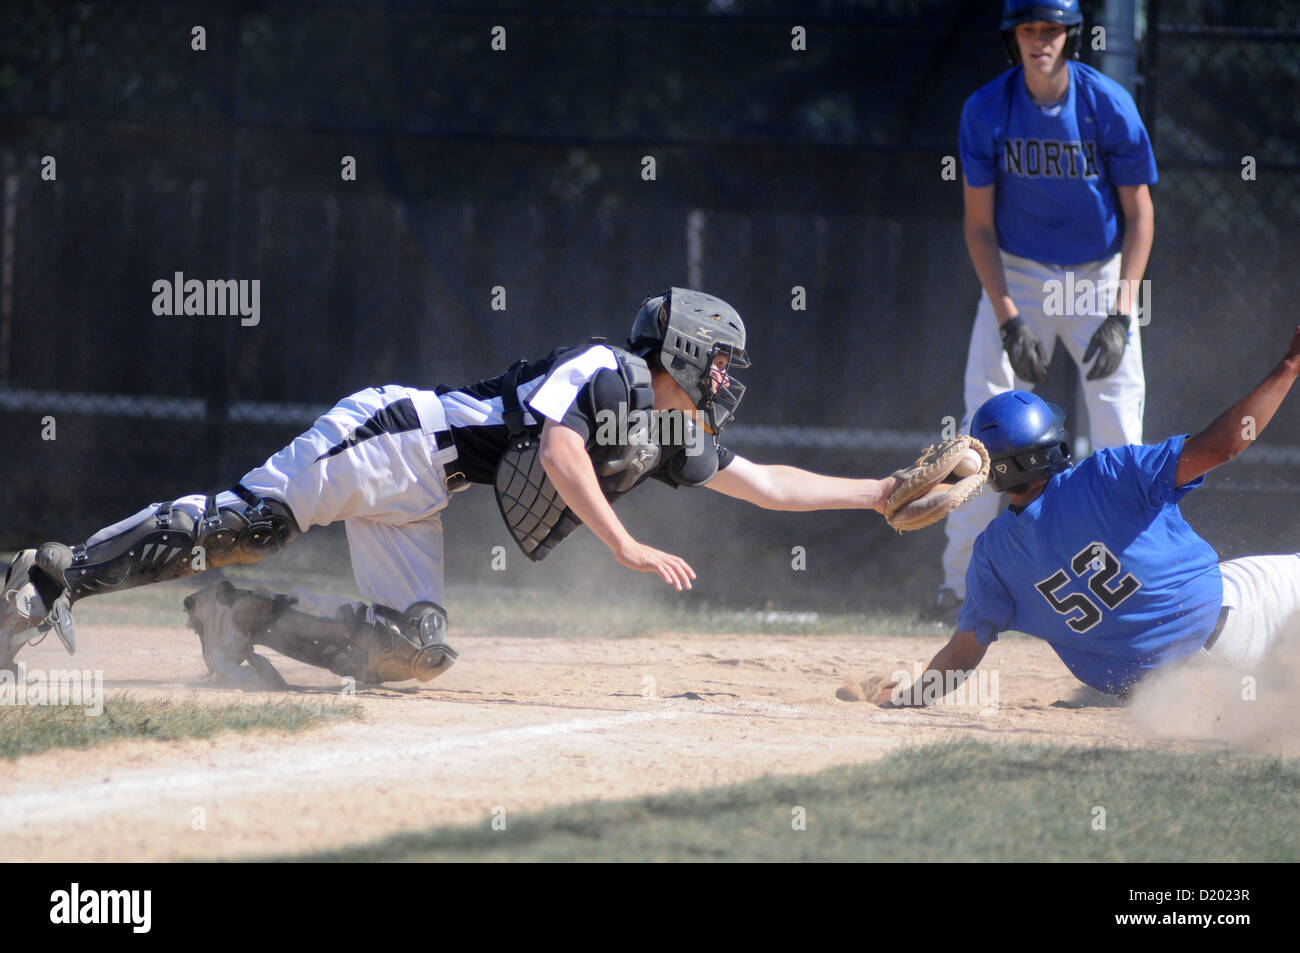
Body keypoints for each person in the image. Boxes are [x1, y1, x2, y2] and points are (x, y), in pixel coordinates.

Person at [2, 288, 906, 688]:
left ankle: (232, 616)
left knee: (416, 649)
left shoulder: (664, 424)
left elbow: (765, 482)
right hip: (393, 435)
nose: (719, 381)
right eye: (715, 361)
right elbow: (559, 449)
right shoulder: (605, 369)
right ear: (680, 351)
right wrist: (624, 546)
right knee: (254, 519)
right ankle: (45, 579)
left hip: (420, 495)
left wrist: (879, 492)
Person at [874, 326, 1300, 707]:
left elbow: (962, 654)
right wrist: (1290, 364)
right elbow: (1223, 446)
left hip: (1155, 697)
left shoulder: (992, 555)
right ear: (1053, 445)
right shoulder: (1107, 474)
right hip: (1233, 632)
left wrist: (913, 694)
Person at [934, 0, 1158, 625]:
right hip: (1020, 272)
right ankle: (960, 587)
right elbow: (979, 225)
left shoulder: (1107, 103)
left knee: (1118, 425)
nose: (1041, 41)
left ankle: (1126, 585)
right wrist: (1008, 315)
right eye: (1029, 29)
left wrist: (1121, 311)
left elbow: (1139, 214)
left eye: (1052, 29)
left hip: (1098, 276)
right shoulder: (987, 108)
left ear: (1070, 37)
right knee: (983, 428)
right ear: (1013, 39)